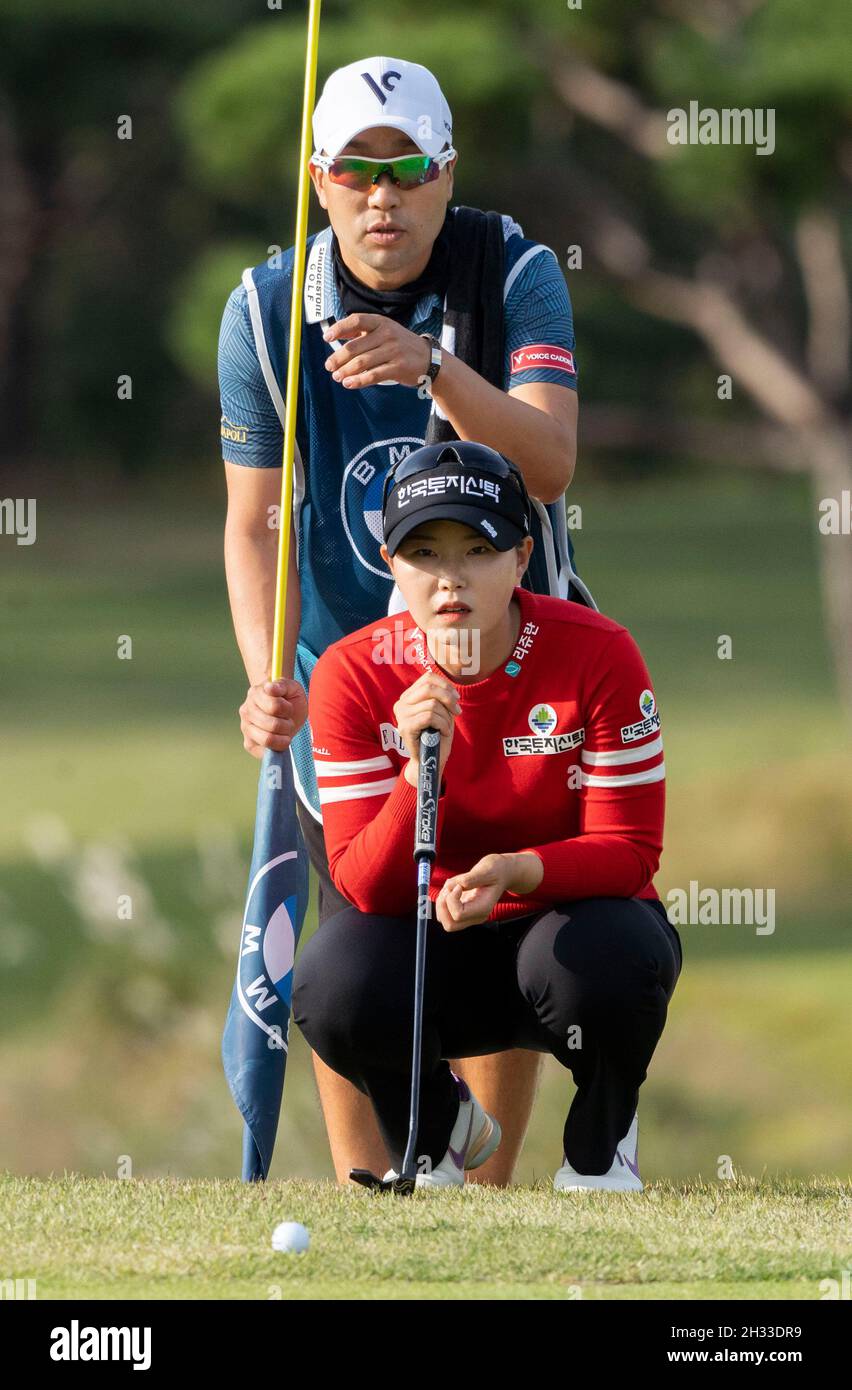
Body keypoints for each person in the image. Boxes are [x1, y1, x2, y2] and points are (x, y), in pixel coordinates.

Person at [218, 54, 593, 1186]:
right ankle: (362, 1185)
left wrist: (435, 365)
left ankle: (484, 1187)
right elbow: (252, 525)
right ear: (318, 179)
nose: (383, 198)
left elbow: (552, 461)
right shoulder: (264, 310)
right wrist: (263, 674)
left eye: (408, 170)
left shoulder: (512, 268)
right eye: (356, 172)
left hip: (513, 649)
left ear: (445, 175)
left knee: (491, 908)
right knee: (362, 921)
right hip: (346, 658)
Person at [292, 442, 682, 1190]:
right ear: (392, 564)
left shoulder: (597, 653)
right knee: (331, 981)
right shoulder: (351, 672)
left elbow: (630, 851)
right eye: (424, 552)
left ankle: (601, 1153)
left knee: (614, 957)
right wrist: (414, 772)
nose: (451, 579)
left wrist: (518, 872)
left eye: (479, 548)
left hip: (563, 940)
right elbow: (362, 886)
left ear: (521, 555)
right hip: (434, 943)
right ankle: (439, 1133)